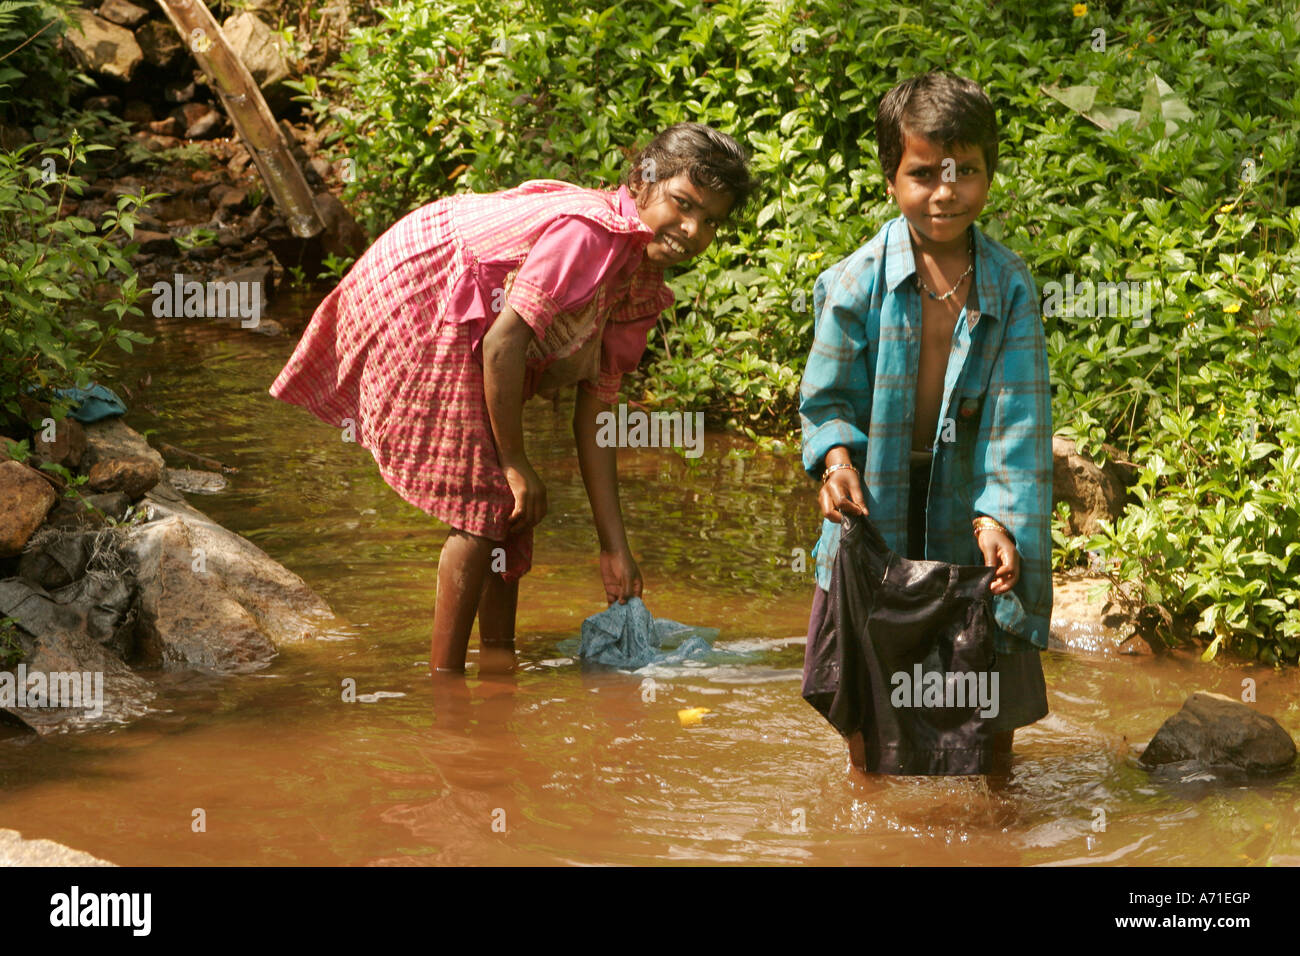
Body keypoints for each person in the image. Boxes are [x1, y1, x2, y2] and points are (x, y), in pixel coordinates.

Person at [270, 122, 754, 675]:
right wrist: (515, 460)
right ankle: (446, 689)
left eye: (710, 220)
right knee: (485, 506)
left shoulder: (638, 280)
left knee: (512, 506)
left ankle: (499, 665)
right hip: (424, 294)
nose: (692, 229)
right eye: (683, 204)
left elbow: (596, 414)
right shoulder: (590, 236)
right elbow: (503, 342)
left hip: (480, 323)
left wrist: (613, 547)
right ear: (644, 181)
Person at [799, 72, 1053, 777]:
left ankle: (990, 819)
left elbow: (1019, 417)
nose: (946, 192)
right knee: (867, 691)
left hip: (967, 495)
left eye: (964, 171)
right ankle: (869, 807)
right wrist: (837, 463)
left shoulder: (1009, 287)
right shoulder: (855, 282)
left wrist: (998, 517)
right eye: (924, 174)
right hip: (873, 491)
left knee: (988, 685)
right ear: (891, 180)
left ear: (989, 175)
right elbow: (827, 401)